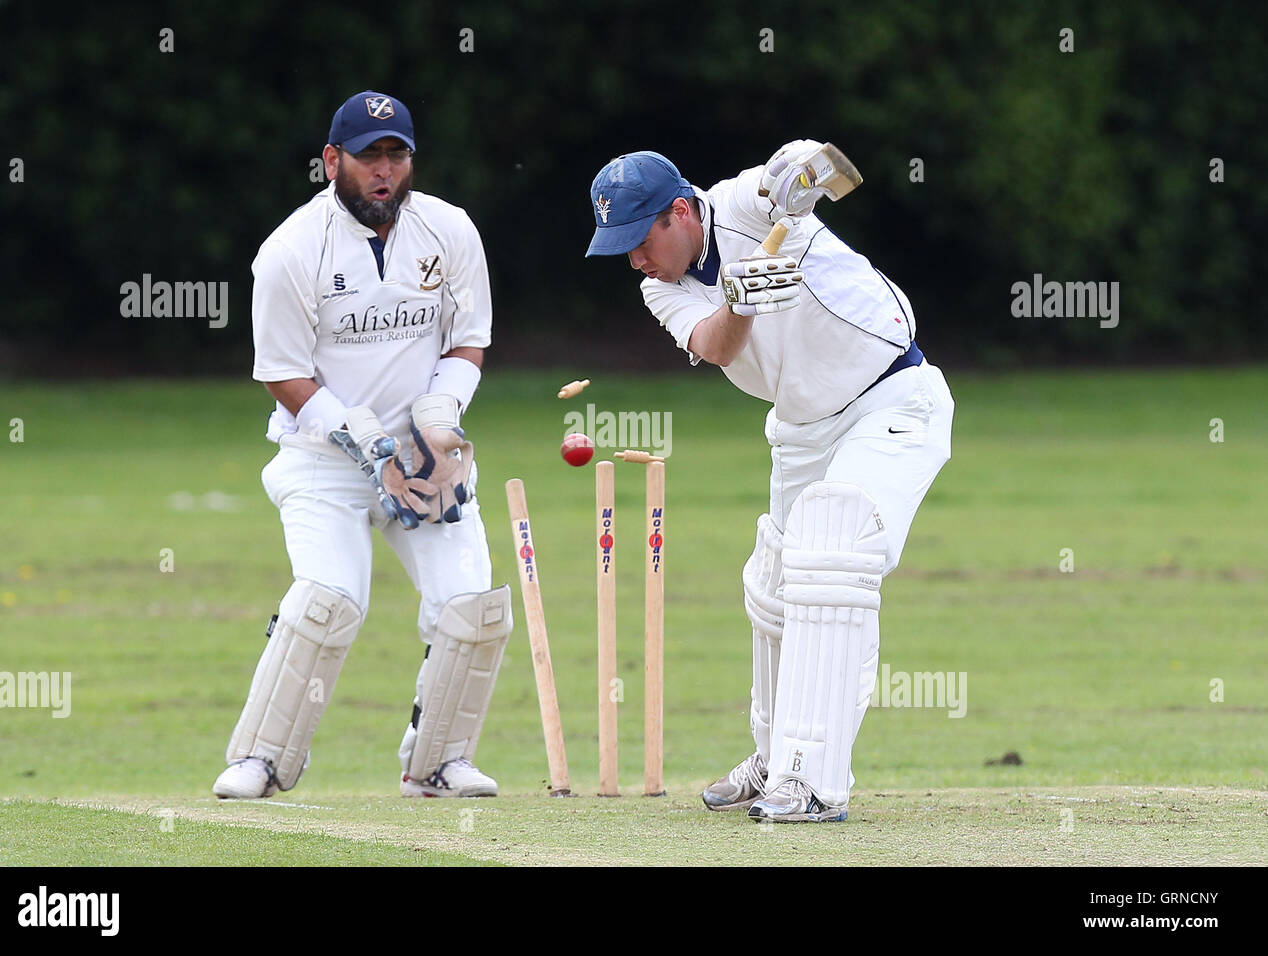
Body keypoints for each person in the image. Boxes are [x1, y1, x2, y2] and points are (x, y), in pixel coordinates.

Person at [585, 145, 954, 822]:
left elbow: (805, 165)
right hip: (801, 425)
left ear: (679, 211)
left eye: (640, 241)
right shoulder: (658, 286)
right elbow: (719, 344)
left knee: (832, 560)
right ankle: (776, 758)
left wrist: (798, 174)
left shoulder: (743, 203)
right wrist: (742, 296)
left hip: (891, 396)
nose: (635, 260)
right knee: (775, 586)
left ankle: (813, 780)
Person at [212, 90, 511, 801]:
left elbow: (468, 341)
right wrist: (359, 434)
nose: (384, 171)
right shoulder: (289, 251)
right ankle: (262, 757)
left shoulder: (450, 230)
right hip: (323, 459)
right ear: (330, 161)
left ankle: (437, 760)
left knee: (471, 606)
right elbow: (282, 373)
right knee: (328, 599)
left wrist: (439, 418)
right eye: (368, 156)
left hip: (423, 457)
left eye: (396, 155)